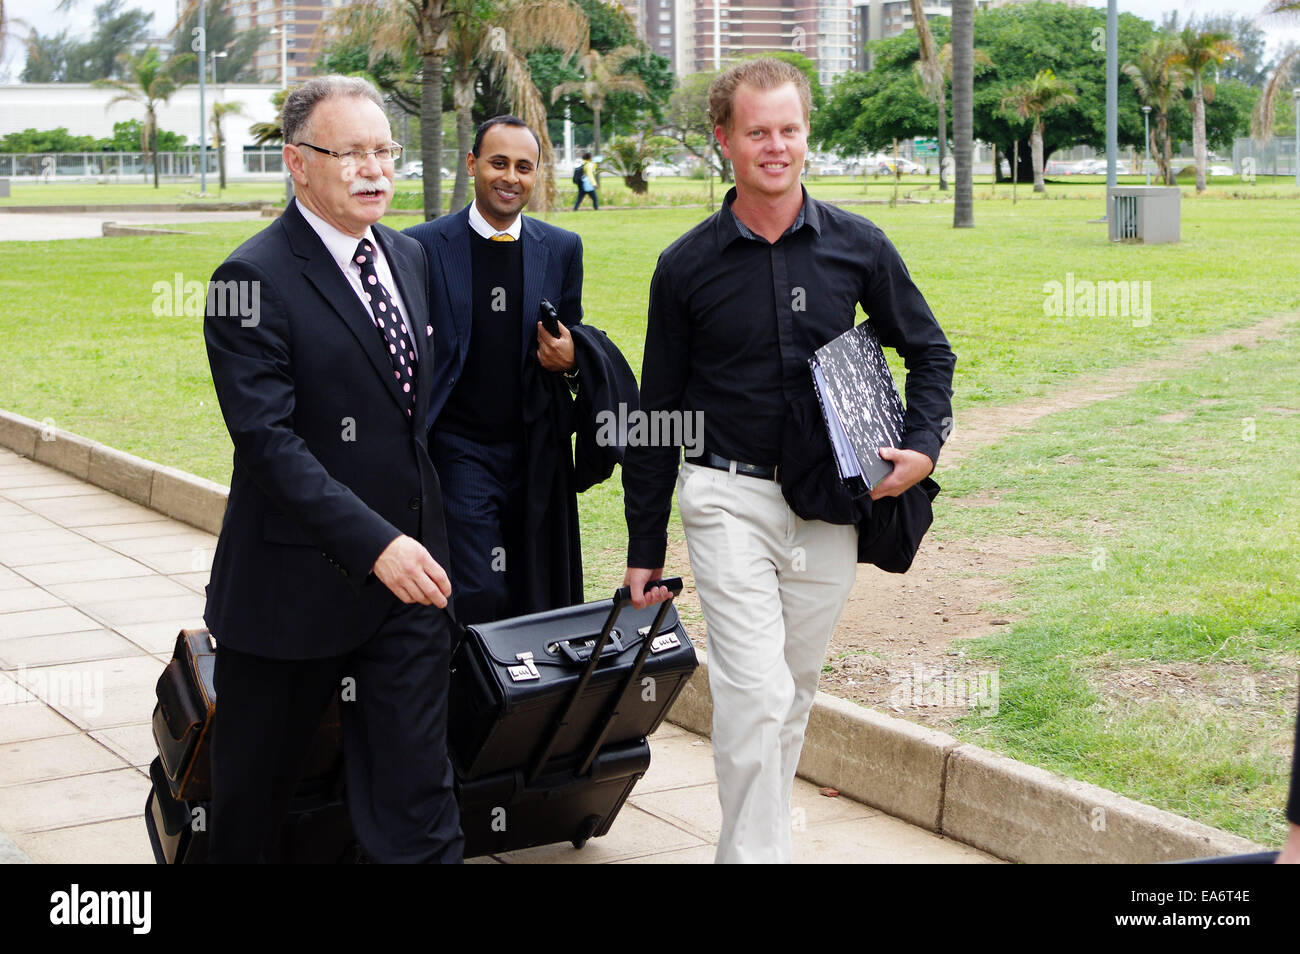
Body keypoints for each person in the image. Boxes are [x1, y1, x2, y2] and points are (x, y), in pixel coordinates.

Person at [621, 58, 956, 864]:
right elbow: (656, 416)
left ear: (807, 136)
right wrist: (644, 551)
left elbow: (930, 352)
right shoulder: (685, 265)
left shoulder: (858, 246)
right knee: (756, 692)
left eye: (790, 129)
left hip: (827, 506)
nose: (776, 146)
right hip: (724, 495)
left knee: (792, 695)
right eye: (758, 131)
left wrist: (921, 444)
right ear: (724, 141)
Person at [202, 75, 462, 863]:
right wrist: (373, 542)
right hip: (291, 598)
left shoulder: (410, 258)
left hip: (409, 588)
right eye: (349, 152)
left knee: (419, 807)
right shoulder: (246, 282)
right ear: (296, 162)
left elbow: (417, 408)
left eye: (383, 150)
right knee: (250, 820)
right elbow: (269, 443)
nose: (374, 169)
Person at [405, 117, 634, 625]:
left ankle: (525, 697)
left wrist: (574, 362)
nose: (510, 177)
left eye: (524, 167)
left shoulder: (561, 247)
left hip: (537, 449)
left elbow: (566, 342)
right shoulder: (419, 246)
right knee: (480, 587)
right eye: (498, 163)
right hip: (460, 449)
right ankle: (470, 694)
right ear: (472, 165)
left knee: (538, 588)